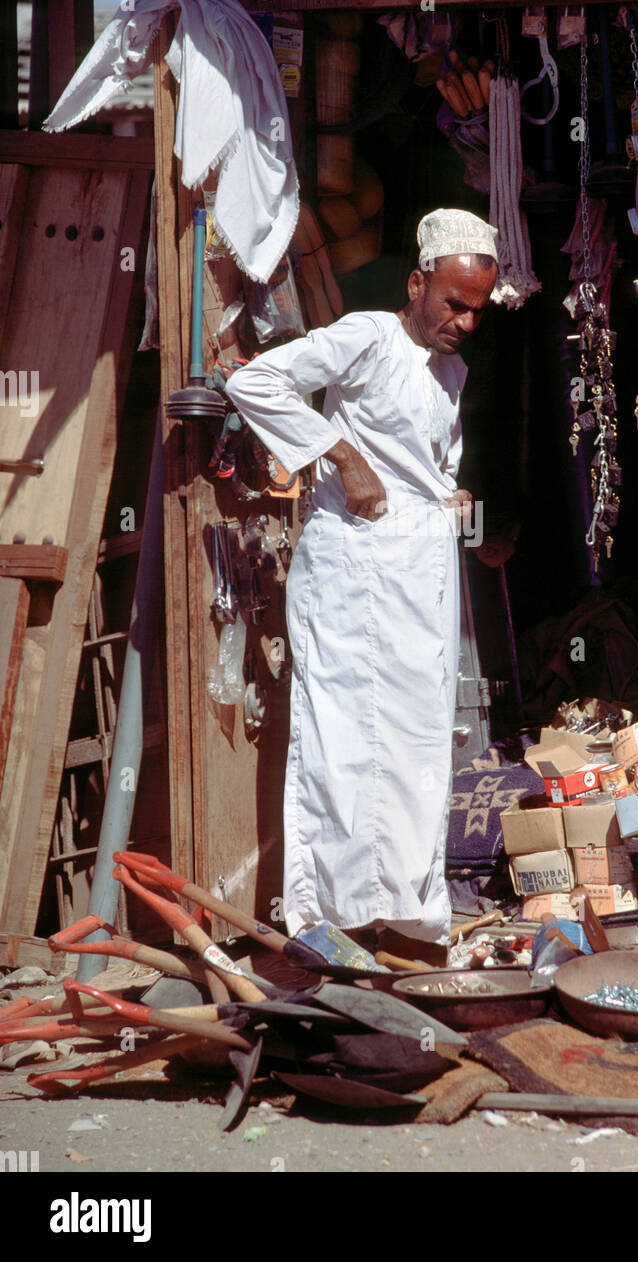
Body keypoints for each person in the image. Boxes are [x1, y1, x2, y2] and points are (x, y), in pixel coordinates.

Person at [225, 209, 499, 958]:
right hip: (353, 560)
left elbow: (426, 465)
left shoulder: (450, 371)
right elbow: (261, 382)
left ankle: (407, 913)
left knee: (413, 741)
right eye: (453, 304)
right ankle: (334, 916)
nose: (464, 323)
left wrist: (451, 497)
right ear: (418, 284)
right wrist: (339, 457)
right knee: (345, 736)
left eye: (476, 310)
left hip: (418, 568)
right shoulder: (369, 336)